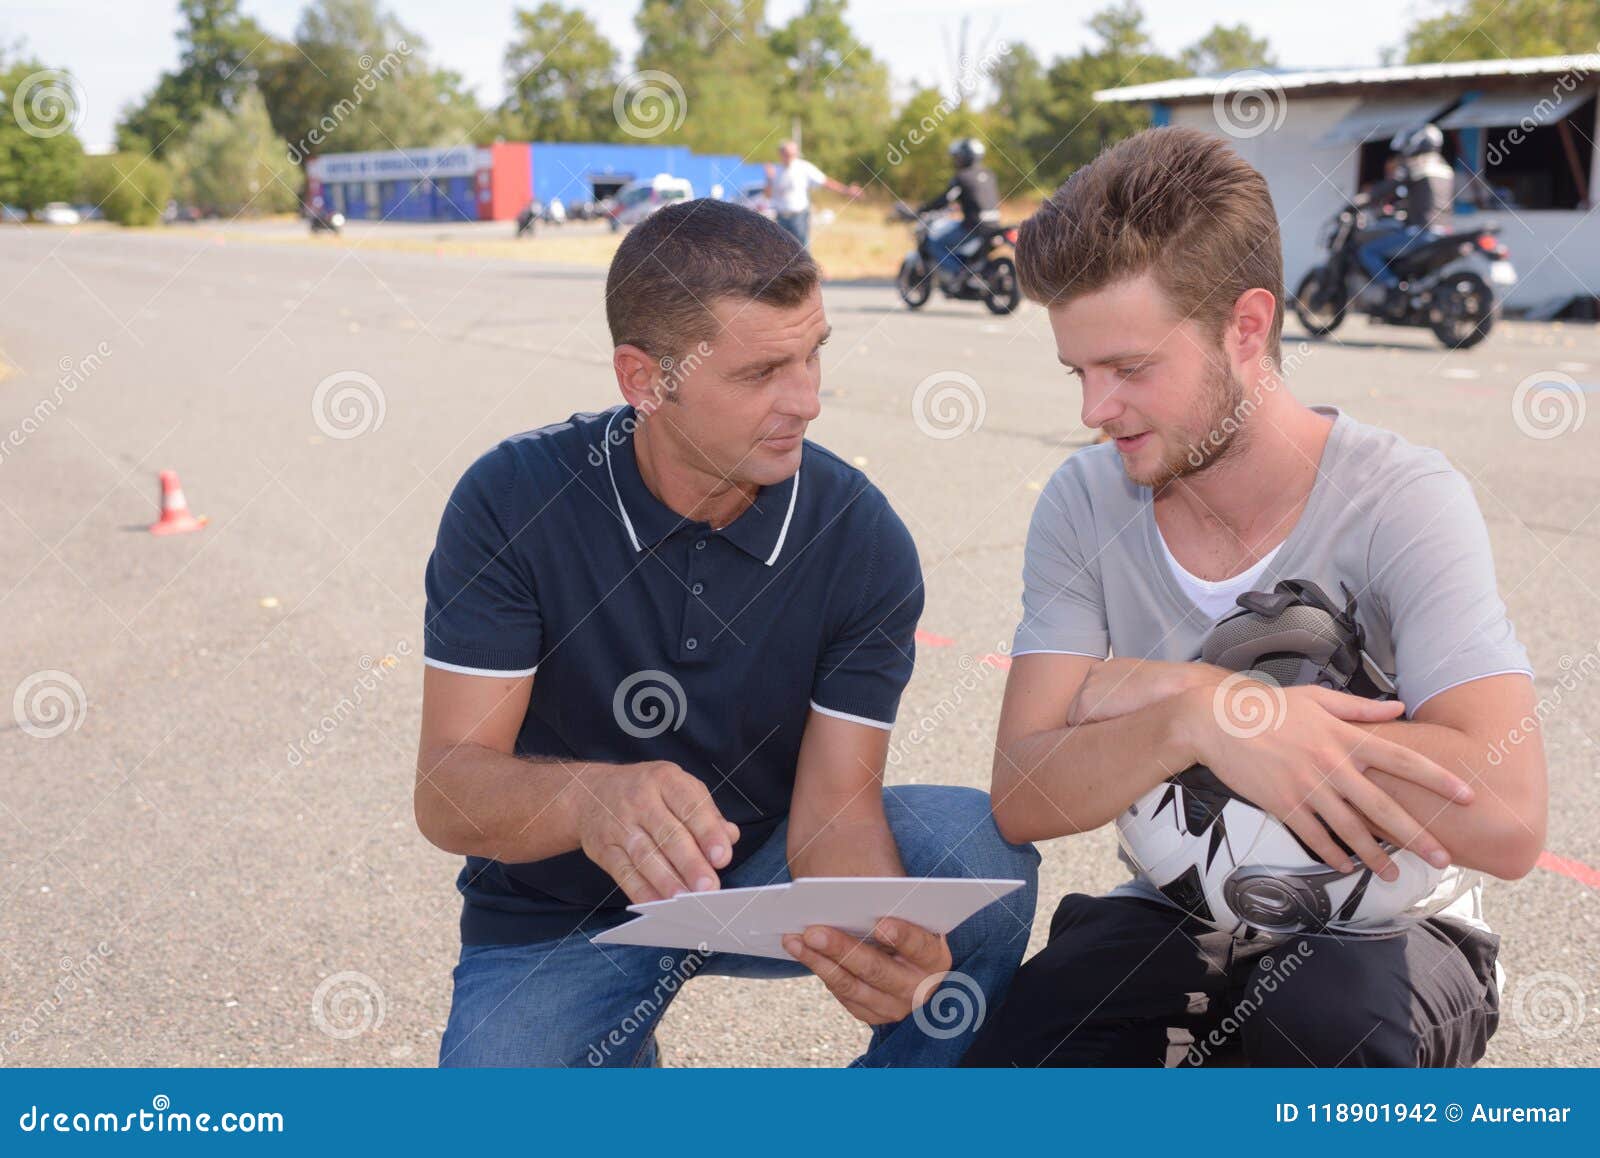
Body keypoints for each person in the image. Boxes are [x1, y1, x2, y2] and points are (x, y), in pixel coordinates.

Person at [960, 126, 1546, 1068]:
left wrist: (1128, 689)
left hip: (1393, 933)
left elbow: (1510, 816)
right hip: (1176, 911)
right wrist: (1199, 717)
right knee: (1017, 1053)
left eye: (1129, 369)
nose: (1092, 411)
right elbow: (1023, 795)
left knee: (1312, 1040)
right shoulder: (1083, 498)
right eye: (1080, 371)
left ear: (1246, 327)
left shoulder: (1403, 498)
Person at [415, 198, 1038, 1068]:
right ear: (646, 381)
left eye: (814, 354)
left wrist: (884, 945)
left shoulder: (858, 538)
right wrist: (591, 800)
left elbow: (834, 810)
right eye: (761, 374)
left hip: (760, 876)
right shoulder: (513, 501)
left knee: (974, 850)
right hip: (558, 909)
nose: (808, 401)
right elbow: (448, 792)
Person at [1357, 124, 1455, 289]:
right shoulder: (1445, 169)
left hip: (1421, 231)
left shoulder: (1416, 167)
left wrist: (1365, 197)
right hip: (1444, 231)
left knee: (1368, 251)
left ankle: (1392, 288)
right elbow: (1424, 198)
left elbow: (1389, 186)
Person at [917, 138, 1000, 288]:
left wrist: (923, 208)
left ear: (965, 157)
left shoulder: (962, 177)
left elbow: (946, 199)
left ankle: (959, 272)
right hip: (994, 225)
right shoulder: (989, 174)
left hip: (973, 226)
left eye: (958, 156)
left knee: (934, 243)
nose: (956, 160)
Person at [764, 140, 862, 248]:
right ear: (781, 154)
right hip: (781, 217)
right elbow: (767, 196)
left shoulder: (804, 167)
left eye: (793, 154)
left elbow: (826, 182)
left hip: (799, 216)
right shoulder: (775, 171)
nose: (790, 157)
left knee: (802, 250)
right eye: (787, 154)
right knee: (782, 250)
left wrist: (846, 190)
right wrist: (769, 179)